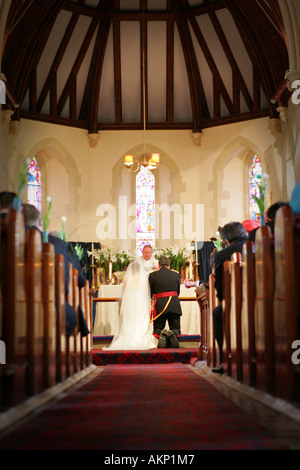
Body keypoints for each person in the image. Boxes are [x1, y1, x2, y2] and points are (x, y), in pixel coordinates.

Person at [185, 221, 248, 373]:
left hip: (239, 301)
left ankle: (224, 360)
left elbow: (219, 290)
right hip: (270, 299)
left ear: (226, 240)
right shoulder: (258, 245)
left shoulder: (224, 255)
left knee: (218, 312)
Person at [21, 204, 89, 339]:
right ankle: (55, 357)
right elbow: (67, 283)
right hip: (43, 304)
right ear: (39, 222)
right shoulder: (55, 245)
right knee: (70, 317)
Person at [103, 260, 157, 350]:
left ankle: (128, 339)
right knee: (140, 322)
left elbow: (124, 294)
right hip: (141, 305)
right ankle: (141, 340)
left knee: (130, 323)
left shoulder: (126, 279)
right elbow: (147, 294)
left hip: (130, 305)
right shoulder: (144, 279)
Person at [149, 256, 182, 348]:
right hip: (174, 303)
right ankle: (173, 334)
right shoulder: (176, 274)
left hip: (160, 305)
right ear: (169, 266)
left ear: (158, 265)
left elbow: (150, 293)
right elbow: (177, 291)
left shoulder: (152, 275)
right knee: (175, 327)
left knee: (158, 327)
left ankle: (161, 335)